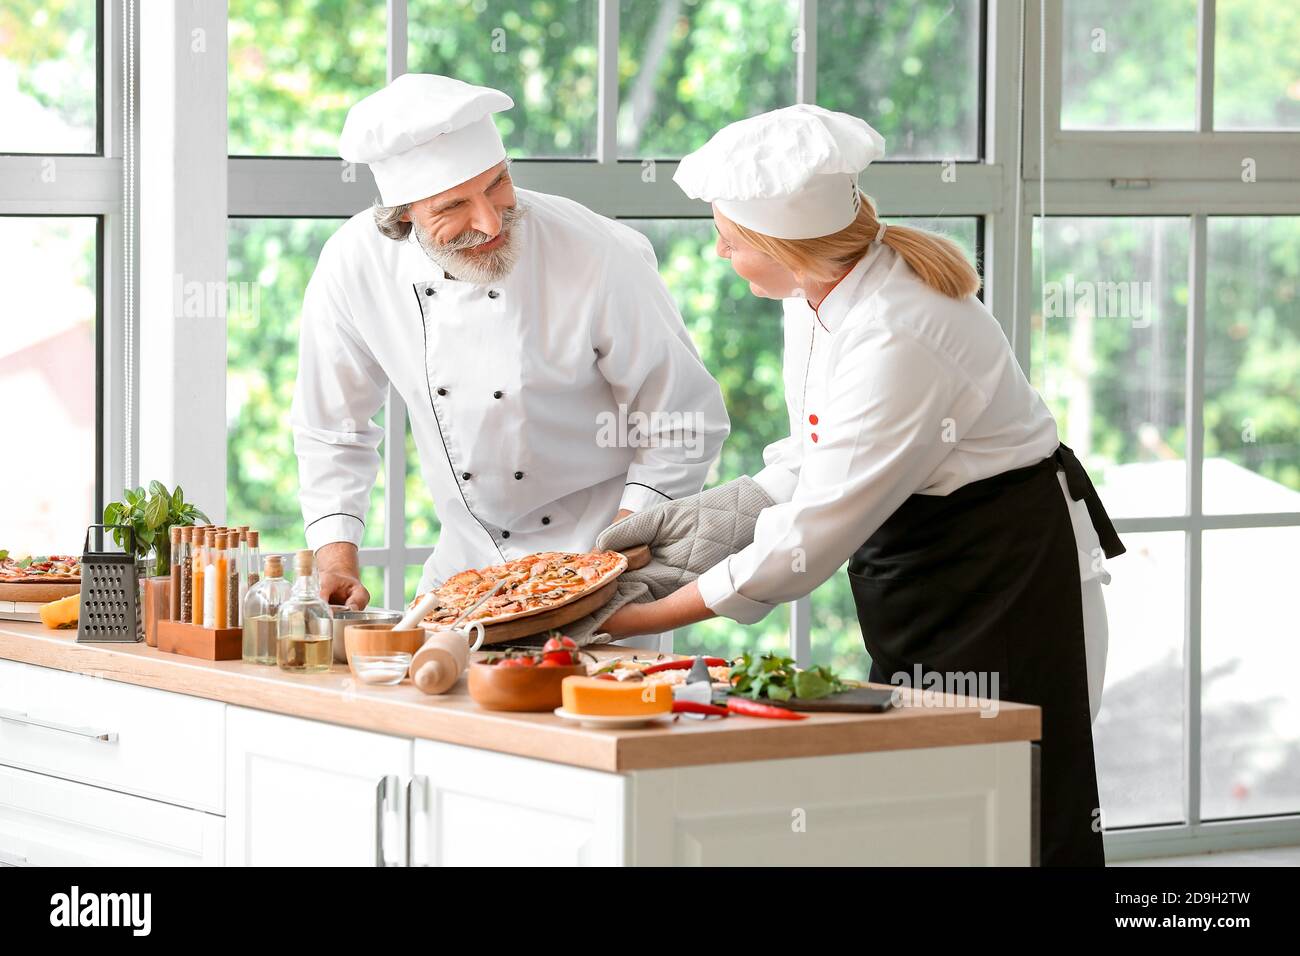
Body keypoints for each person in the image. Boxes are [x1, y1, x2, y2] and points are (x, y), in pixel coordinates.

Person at [598, 104, 1124, 866]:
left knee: (1014, 821)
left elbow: (813, 536)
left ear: (784, 246)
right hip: (927, 577)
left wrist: (636, 621)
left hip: (1010, 582)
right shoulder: (813, 296)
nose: (718, 251)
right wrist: (708, 520)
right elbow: (811, 459)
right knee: (928, 821)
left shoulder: (899, 329)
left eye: (732, 239)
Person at [290, 74, 729, 615]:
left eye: (498, 184)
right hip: (463, 570)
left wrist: (614, 550)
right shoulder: (353, 265)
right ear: (402, 215)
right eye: (453, 207)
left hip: (598, 561)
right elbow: (334, 429)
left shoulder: (593, 252)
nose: (490, 220)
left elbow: (683, 420)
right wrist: (335, 560)